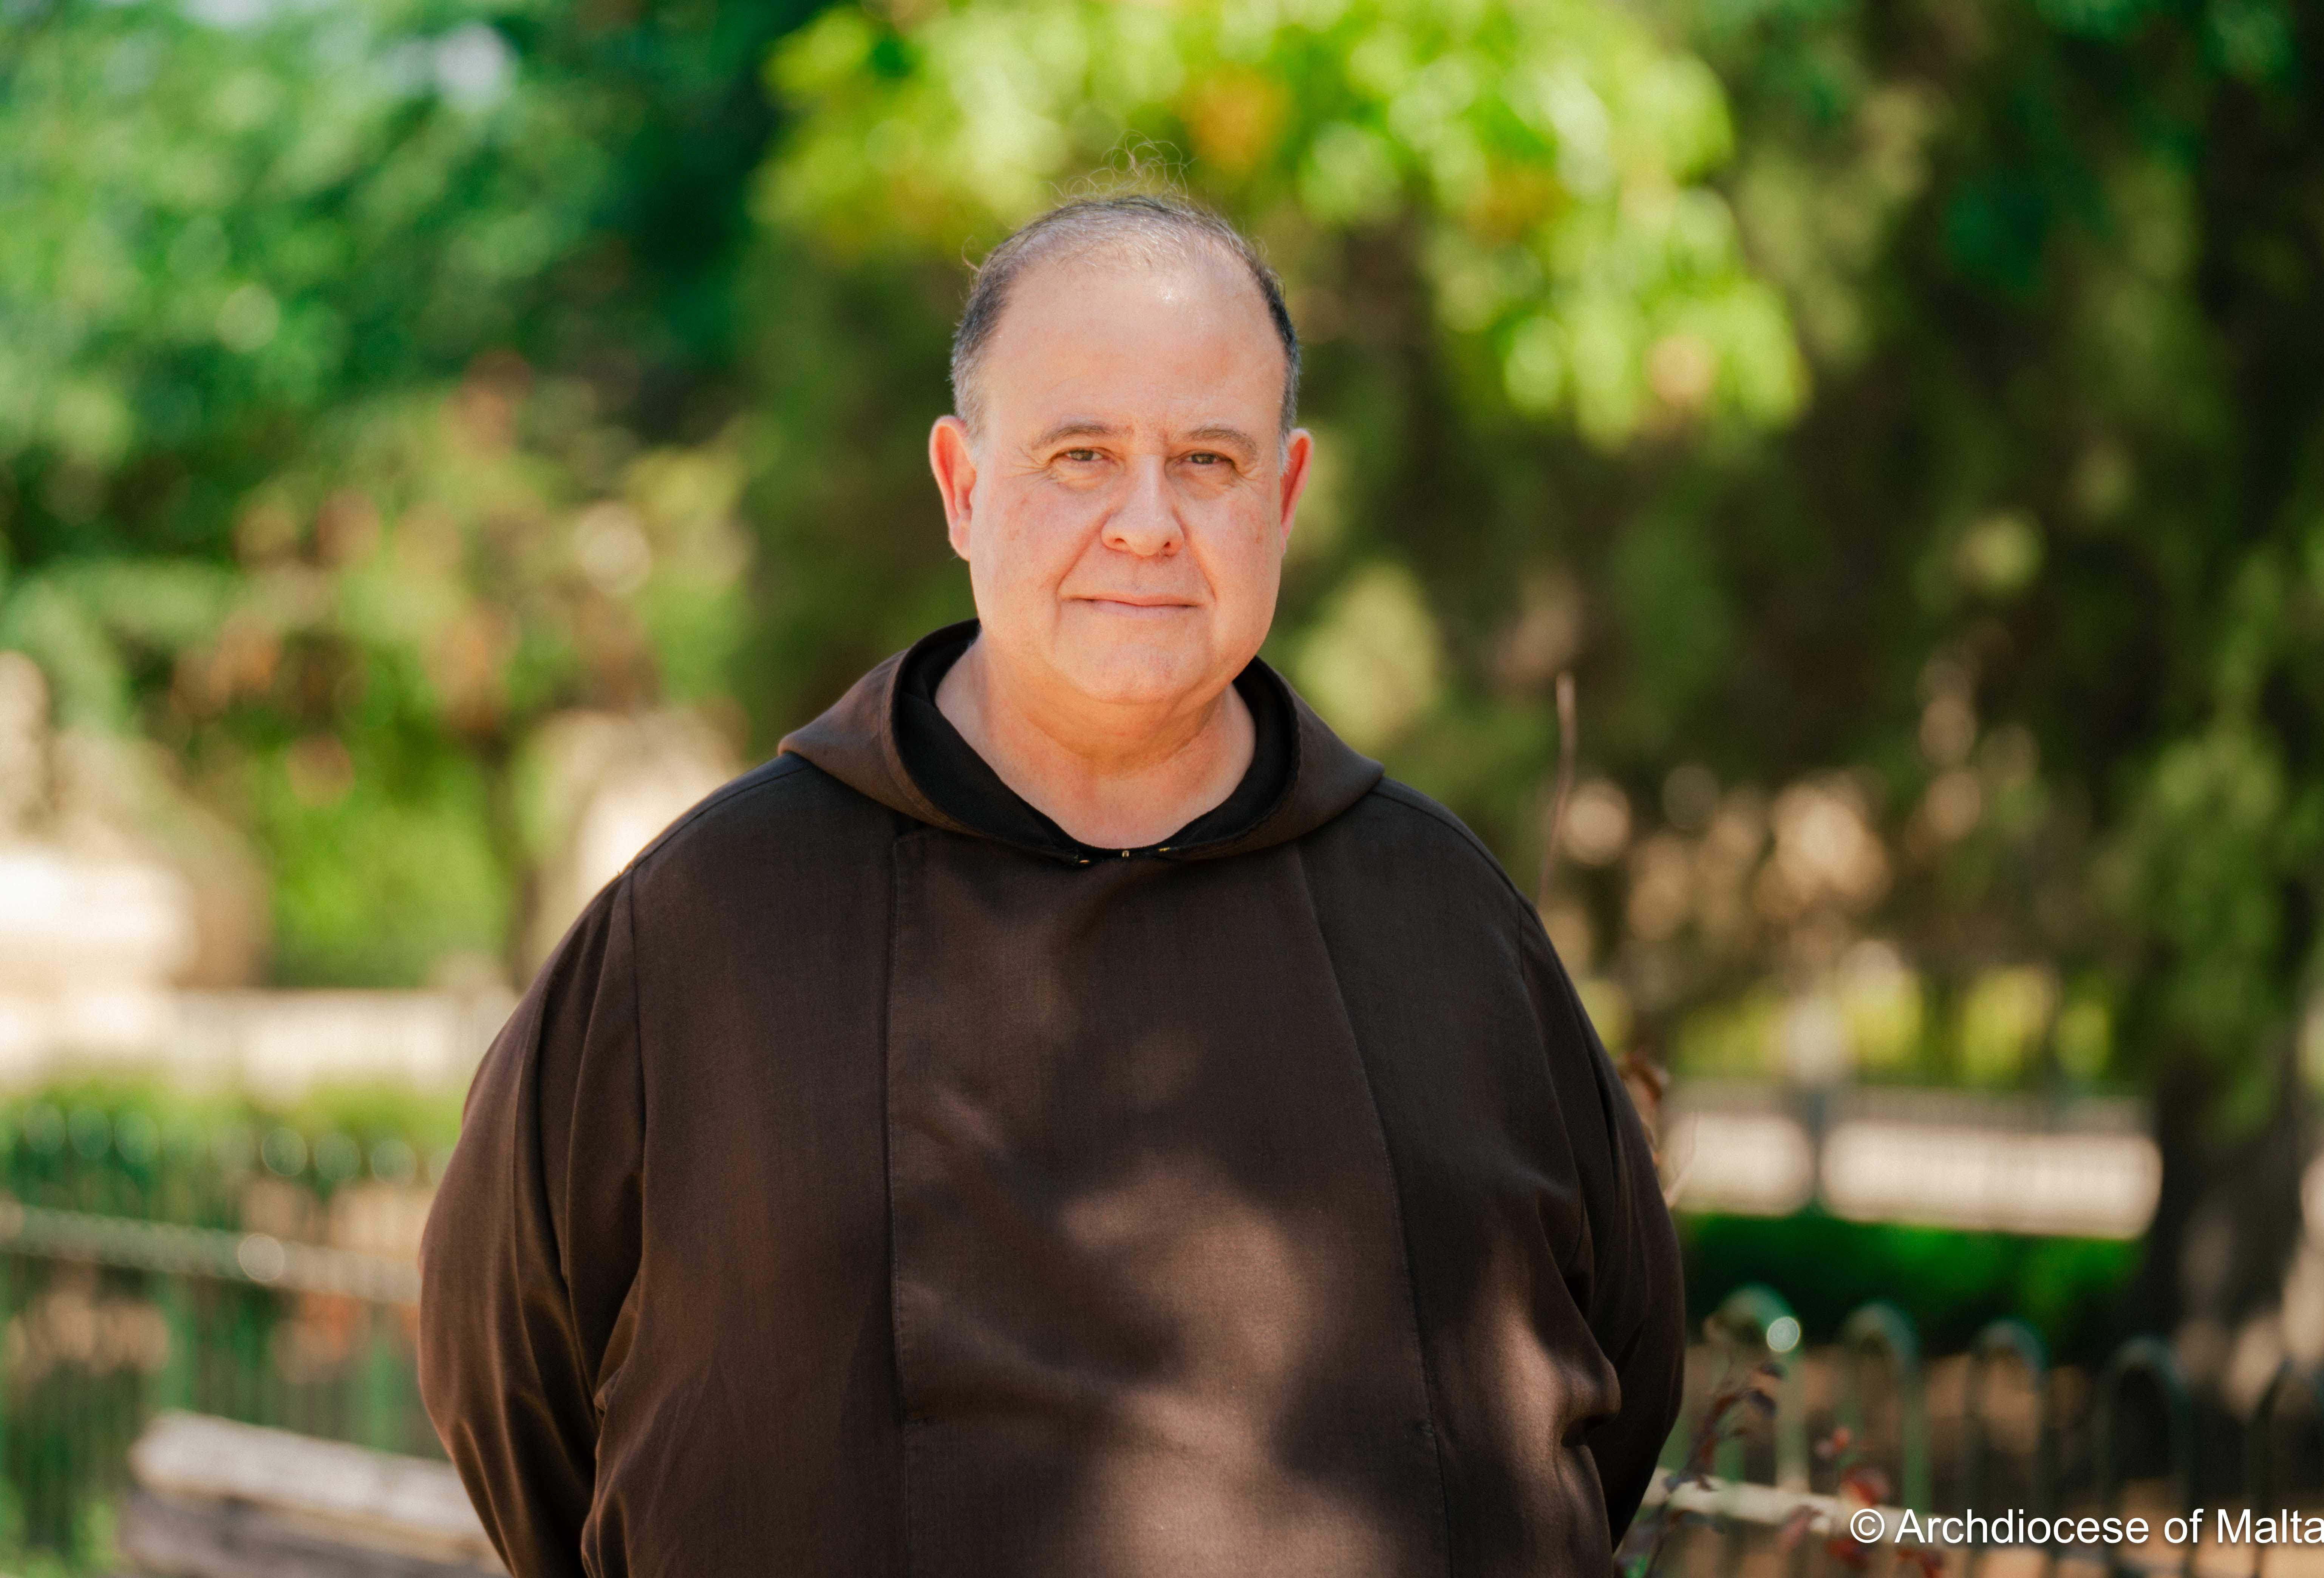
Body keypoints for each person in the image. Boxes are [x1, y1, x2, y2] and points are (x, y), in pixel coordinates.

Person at [419, 193, 1685, 1578]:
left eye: (1208, 459)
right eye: (1081, 454)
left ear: (1284, 494)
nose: (1147, 522)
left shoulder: (1445, 919)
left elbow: (1613, 1366)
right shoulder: (710, 922)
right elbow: (506, 1376)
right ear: (963, 489)